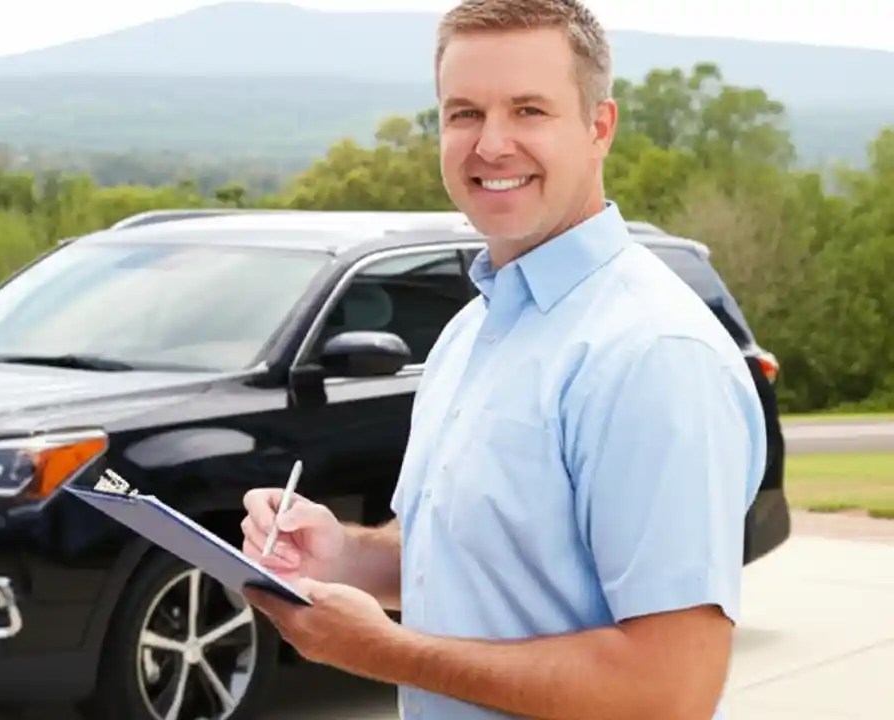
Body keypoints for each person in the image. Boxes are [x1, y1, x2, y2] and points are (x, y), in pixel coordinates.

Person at [238, 1, 768, 718]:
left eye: (528, 111)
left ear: (598, 127)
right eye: (463, 114)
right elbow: (474, 558)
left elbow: (668, 691)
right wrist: (338, 556)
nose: (491, 145)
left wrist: (377, 649)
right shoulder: (471, 330)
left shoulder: (653, 355)